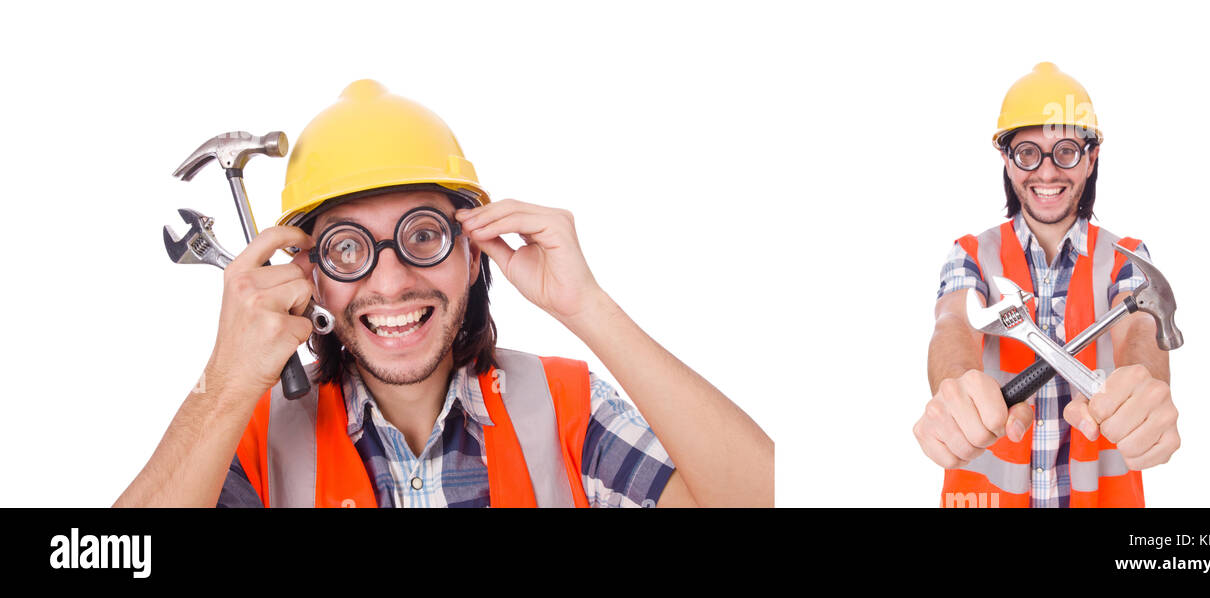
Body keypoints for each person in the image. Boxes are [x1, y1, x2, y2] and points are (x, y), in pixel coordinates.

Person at [116, 80, 774, 508]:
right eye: (348, 248)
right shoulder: (252, 440)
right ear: (307, 271)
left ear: (472, 250)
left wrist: (589, 309)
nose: (391, 280)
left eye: (423, 235)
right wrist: (225, 384)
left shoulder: (566, 408)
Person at [914, 63, 1179, 508]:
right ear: (1006, 159)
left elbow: (1139, 333)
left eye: (1067, 152)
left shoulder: (1125, 258)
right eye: (1028, 153)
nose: (1048, 173)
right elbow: (954, 324)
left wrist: (1144, 389)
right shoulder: (971, 255)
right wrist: (956, 384)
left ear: (1092, 157)